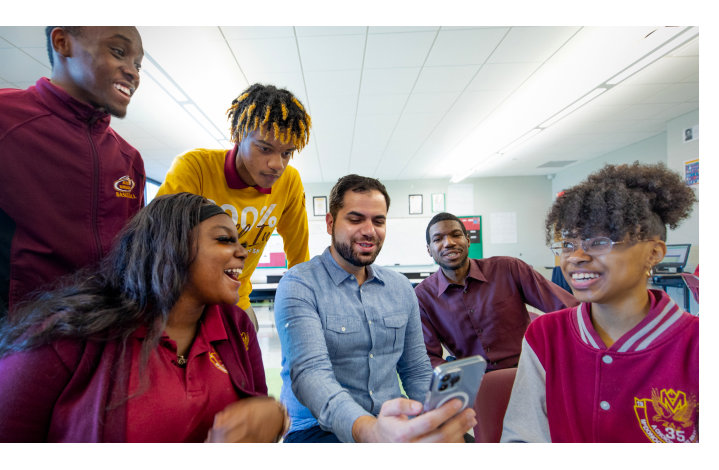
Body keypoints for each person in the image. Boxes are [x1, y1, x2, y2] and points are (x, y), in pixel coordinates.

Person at [0, 193, 289, 442]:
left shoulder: (236, 326)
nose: (243, 252)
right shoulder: (66, 338)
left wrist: (275, 416)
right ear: (169, 246)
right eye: (223, 239)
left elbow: (259, 405)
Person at [0, 26, 147, 419]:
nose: (133, 71)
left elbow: (125, 269)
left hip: (88, 376)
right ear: (62, 42)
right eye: (119, 51)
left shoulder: (128, 160)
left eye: (138, 63)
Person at [500, 162, 698, 443]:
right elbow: (522, 439)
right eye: (568, 244)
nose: (576, 256)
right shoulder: (546, 334)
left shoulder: (697, 344)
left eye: (600, 241)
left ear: (654, 252)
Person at [274, 175, 476, 443]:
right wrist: (369, 430)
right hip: (318, 429)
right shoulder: (299, 284)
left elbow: (415, 368)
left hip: (392, 420)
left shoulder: (400, 287)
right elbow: (311, 374)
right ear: (331, 223)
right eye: (356, 219)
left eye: (378, 221)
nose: (369, 230)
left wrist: (437, 420)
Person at [156, 83, 313, 330]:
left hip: (236, 301)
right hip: (181, 302)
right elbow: (158, 243)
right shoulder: (193, 168)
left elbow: (299, 255)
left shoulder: (289, 182)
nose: (277, 164)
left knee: (247, 363)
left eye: (287, 153)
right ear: (238, 136)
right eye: (264, 148)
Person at [415, 212, 578, 371]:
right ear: (429, 249)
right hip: (473, 381)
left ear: (468, 240)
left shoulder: (508, 269)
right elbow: (428, 357)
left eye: (456, 235)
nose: (449, 243)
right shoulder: (423, 297)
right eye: (438, 239)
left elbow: (567, 308)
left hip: (526, 370)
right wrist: (459, 380)